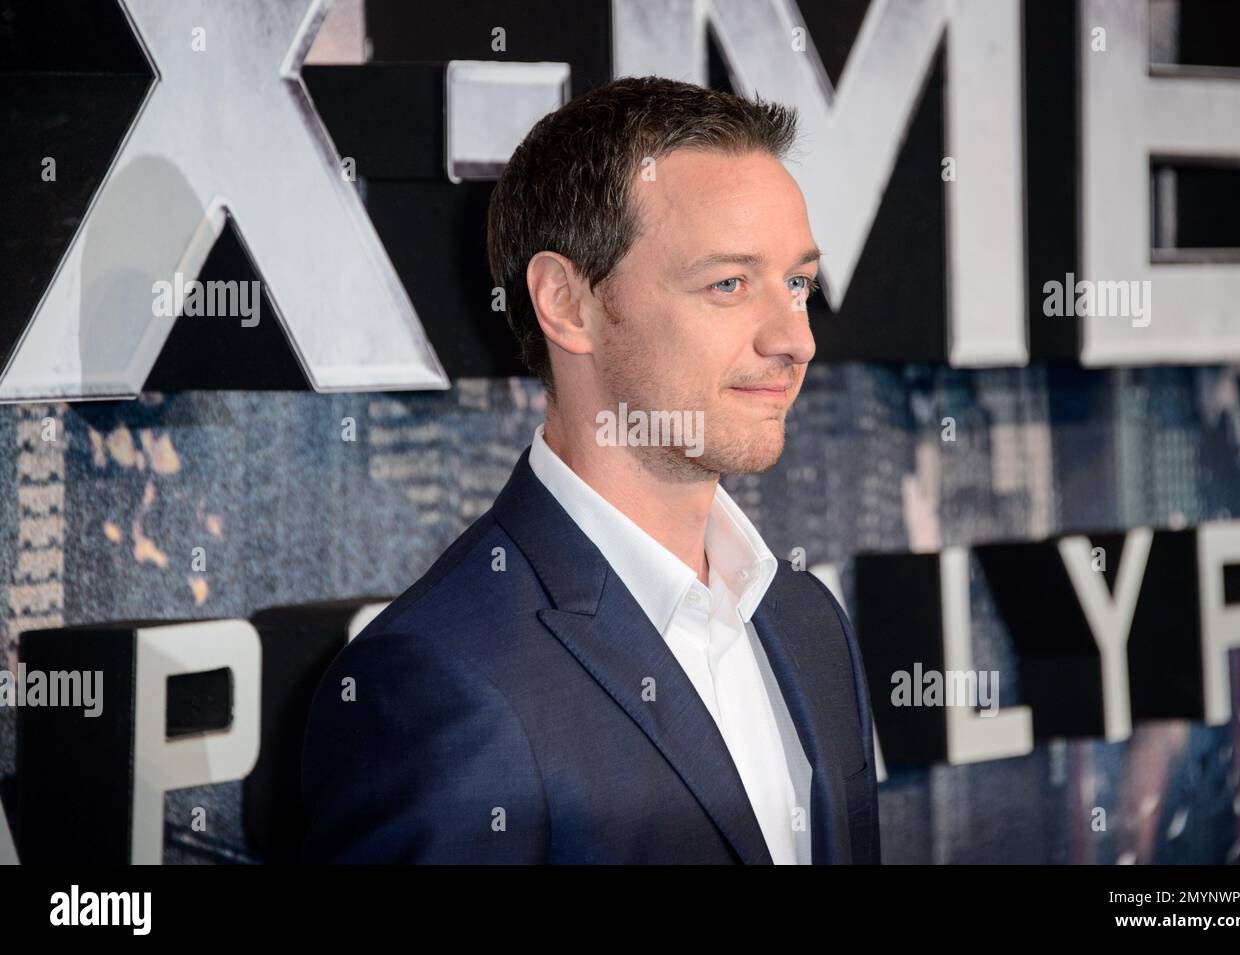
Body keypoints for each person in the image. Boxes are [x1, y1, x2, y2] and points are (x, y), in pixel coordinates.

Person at [301, 75, 881, 864]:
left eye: (798, 284)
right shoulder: (441, 686)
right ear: (567, 304)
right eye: (729, 284)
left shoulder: (809, 623)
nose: (796, 339)